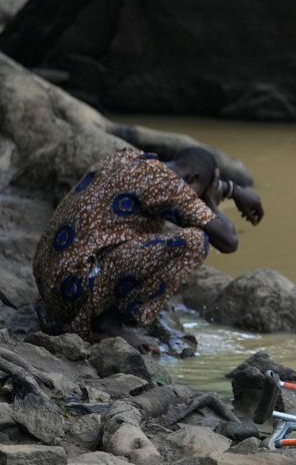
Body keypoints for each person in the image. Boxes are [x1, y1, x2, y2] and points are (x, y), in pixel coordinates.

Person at [32, 146, 263, 351]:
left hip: (52, 285)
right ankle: (106, 325)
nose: (197, 203)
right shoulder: (169, 185)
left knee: (150, 234)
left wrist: (233, 190)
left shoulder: (128, 157)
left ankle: (100, 315)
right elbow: (229, 241)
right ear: (192, 179)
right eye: (199, 197)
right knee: (194, 241)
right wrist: (211, 202)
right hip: (73, 290)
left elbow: (191, 184)